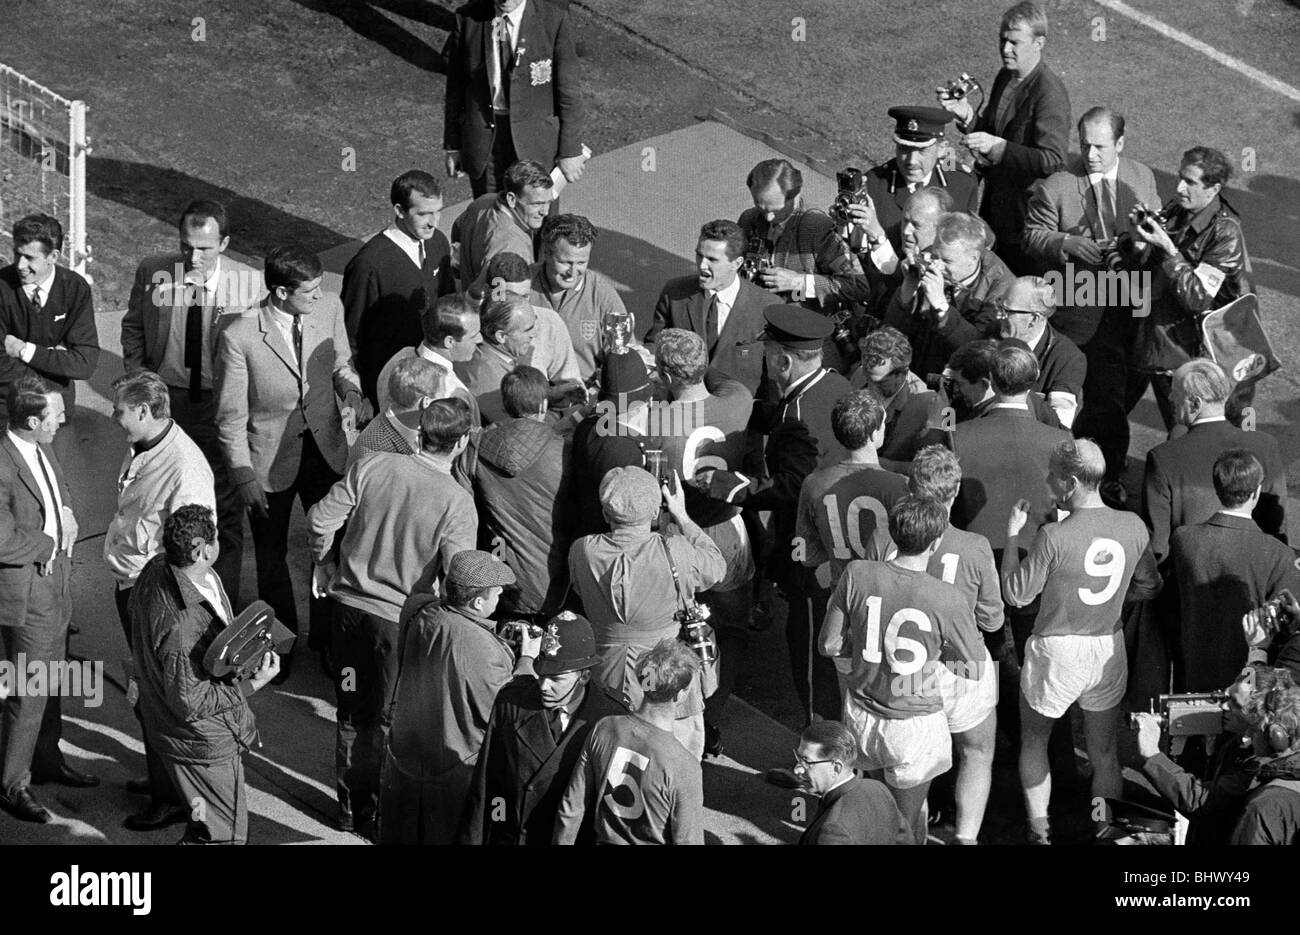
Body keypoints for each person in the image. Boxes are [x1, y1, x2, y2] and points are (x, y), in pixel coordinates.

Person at [308, 398, 478, 836]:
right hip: (398, 627)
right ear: (460, 443)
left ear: (420, 433)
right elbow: (461, 578)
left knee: (351, 713)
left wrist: (324, 563)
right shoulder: (457, 502)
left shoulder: (373, 465)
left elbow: (320, 519)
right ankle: (379, 814)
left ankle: (350, 808)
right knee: (387, 720)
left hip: (346, 615)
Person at [215, 246, 371, 679]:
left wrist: (351, 391)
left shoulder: (330, 307)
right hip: (267, 465)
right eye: (310, 290)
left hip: (325, 451)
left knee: (331, 546)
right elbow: (230, 417)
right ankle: (278, 648)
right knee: (271, 557)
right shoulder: (239, 336)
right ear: (281, 292)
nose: (320, 296)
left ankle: (326, 640)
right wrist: (243, 474)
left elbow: (341, 361)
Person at [1002, 439, 1161, 844]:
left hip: (1056, 652)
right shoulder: (1134, 526)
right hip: (1107, 647)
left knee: (1035, 741)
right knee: (1104, 752)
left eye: (1053, 473)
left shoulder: (1054, 535)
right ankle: (1104, 830)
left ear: (1071, 482)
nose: (1047, 479)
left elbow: (1017, 594)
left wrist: (1012, 540)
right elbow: (1149, 584)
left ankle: (1041, 833)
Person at [701, 306, 851, 727]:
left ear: (783, 360)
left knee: (810, 660)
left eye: (768, 353)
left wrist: (729, 485)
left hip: (813, 560)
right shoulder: (833, 386)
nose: (764, 360)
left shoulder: (796, 418)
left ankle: (820, 751)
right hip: (849, 547)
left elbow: (792, 485)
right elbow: (787, 412)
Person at [819, 496, 983, 844]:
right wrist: (932, 659)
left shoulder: (857, 572)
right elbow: (973, 668)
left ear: (892, 534)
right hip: (913, 726)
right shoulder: (948, 597)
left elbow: (829, 645)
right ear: (935, 542)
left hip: (861, 716)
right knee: (902, 827)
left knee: (874, 815)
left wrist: (869, 649)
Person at [123, 200, 260, 599]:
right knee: (161, 504)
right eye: (186, 246)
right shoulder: (154, 272)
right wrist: (138, 380)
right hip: (168, 406)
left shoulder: (249, 284)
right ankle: (168, 599)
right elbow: (133, 327)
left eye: (204, 248)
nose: (193, 257)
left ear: (225, 243)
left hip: (220, 408)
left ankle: (223, 608)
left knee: (224, 511)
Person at [1021, 108, 1157, 495]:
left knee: (1129, 383)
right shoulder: (1059, 184)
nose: (1090, 154)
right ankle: (1106, 475)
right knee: (1103, 391)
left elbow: (1154, 224)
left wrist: (1140, 243)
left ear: (1120, 144)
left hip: (1133, 301)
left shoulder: (1142, 176)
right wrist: (1067, 243)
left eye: (1099, 146)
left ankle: (1093, 449)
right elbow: (1031, 235)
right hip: (1084, 306)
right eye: (1084, 144)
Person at [104, 370, 215, 830]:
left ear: (145, 411)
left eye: (120, 411)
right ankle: (161, 776)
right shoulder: (148, 445)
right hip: (133, 586)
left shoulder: (184, 465)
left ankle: (172, 795)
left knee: (158, 698)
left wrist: (166, 607)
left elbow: (198, 548)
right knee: (145, 694)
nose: (114, 419)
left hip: (154, 597)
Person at [129, 505, 279, 844]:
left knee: (203, 824)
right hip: (202, 743)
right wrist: (254, 682)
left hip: (175, 731)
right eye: (214, 537)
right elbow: (190, 701)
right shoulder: (184, 626)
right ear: (201, 550)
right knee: (224, 836)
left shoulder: (157, 570)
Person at [378, 550, 540, 845]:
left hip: (405, 758)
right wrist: (526, 660)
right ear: (478, 602)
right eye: (496, 591)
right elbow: (505, 709)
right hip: (452, 771)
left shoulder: (416, 608)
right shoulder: (485, 651)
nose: (502, 593)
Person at [569, 467, 723, 761]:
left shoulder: (583, 550)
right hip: (668, 670)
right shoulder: (675, 549)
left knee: (608, 758)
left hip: (607, 673)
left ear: (606, 513)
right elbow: (717, 567)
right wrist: (683, 516)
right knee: (673, 759)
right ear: (655, 512)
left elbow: (579, 589)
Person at [649, 330, 754, 753]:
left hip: (681, 532)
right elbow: (722, 379)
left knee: (681, 632)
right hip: (729, 529)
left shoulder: (658, 419)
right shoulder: (737, 400)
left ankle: (686, 718)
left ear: (665, 373)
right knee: (730, 629)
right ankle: (715, 714)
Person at [0, 377, 92, 824]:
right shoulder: (1, 463)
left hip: (57, 582)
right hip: (30, 589)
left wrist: (68, 512)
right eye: (55, 415)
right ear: (33, 421)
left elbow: (60, 491)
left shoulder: (42, 446)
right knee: (30, 688)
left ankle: (48, 760)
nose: (64, 420)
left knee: (55, 677)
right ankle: (12, 784)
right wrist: (48, 542)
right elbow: (1, 539)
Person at [460, 611, 630, 844]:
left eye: (556, 678)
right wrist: (495, 831)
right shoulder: (513, 702)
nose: (543, 685)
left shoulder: (611, 719)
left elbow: (616, 811)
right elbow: (490, 785)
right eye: (541, 674)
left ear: (584, 676)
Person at [909, 445, 1004, 844]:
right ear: (955, 490)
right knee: (977, 751)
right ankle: (966, 839)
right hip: (962, 665)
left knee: (917, 765)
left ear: (912, 488)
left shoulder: (889, 536)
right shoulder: (975, 545)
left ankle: (911, 835)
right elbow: (993, 618)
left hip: (911, 666)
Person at [938, 0, 1071, 274]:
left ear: (1039, 43)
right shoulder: (1006, 76)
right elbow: (990, 132)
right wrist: (966, 116)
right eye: (1002, 40)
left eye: (1014, 42)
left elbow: (1054, 159)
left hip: (1025, 217)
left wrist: (1001, 149)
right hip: (996, 203)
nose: (1005, 49)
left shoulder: (1049, 93)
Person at [1127, 146, 1253, 427]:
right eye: (1180, 177)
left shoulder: (1225, 233)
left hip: (1190, 354)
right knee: (1108, 407)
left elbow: (1197, 297)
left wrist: (1169, 249)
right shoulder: (1178, 210)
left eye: (1191, 182)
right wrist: (1139, 238)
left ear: (1214, 188)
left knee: (1186, 434)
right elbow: (1146, 265)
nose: (1180, 187)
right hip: (1154, 335)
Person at [1169, 449, 1300, 693]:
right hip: (1249, 681)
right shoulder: (1278, 554)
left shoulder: (1183, 539)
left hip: (1195, 673)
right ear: (1257, 492)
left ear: (1216, 488)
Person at [554, 638, 705, 845]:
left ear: (643, 682)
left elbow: (571, 807)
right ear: (680, 694)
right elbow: (688, 841)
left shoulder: (605, 728)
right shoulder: (684, 766)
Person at [1142, 359, 1287, 568]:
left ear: (1195, 404)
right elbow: (1277, 526)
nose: (1170, 397)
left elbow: (1158, 546)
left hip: (1189, 578)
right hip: (1252, 572)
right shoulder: (1266, 446)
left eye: (1175, 392)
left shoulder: (1163, 457)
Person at [1133, 665, 1300, 845]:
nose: (1224, 706)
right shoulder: (1237, 744)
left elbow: (1200, 799)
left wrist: (1152, 754)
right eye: (1225, 696)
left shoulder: (1259, 773)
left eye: (1236, 704)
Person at [461, 366, 574, 620]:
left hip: (499, 582)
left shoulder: (476, 448)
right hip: (555, 580)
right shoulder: (564, 451)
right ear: (544, 405)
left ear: (505, 404)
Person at [442, 0, 585, 198]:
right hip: (487, 144)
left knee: (538, 219)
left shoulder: (554, 18)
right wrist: (453, 145)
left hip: (535, 143)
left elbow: (568, 90)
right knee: (491, 216)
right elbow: (455, 88)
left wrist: (570, 150)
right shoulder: (467, 18)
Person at [342, 170, 456, 407]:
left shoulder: (438, 243)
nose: (434, 222)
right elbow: (350, 334)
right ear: (400, 211)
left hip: (433, 377)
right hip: (388, 385)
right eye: (423, 214)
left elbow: (447, 302)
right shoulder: (369, 265)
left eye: (438, 211)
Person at [795, 389, 909, 588]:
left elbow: (806, 554)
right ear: (874, 434)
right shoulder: (902, 485)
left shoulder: (814, 484)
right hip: (890, 592)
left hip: (842, 592)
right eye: (883, 424)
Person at [882, 211, 1013, 380]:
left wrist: (942, 307)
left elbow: (981, 351)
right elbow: (891, 330)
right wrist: (907, 291)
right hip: (917, 371)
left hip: (963, 382)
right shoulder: (931, 258)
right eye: (935, 256)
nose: (938, 266)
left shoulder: (1001, 290)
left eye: (947, 261)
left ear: (973, 258)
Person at [648, 219, 772, 394]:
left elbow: (772, 374)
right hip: (682, 406)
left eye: (712, 259)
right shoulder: (674, 292)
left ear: (736, 263)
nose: (702, 265)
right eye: (699, 255)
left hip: (737, 414)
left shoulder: (766, 306)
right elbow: (655, 342)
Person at [0, 213, 98, 428]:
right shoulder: (2, 287)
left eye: (30, 258)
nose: (20, 265)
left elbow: (84, 363)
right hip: (9, 412)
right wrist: (53, 372)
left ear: (53, 256)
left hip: (56, 413)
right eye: (17, 254)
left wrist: (24, 350)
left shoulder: (74, 288)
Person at [737, 158, 868, 315]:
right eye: (761, 207)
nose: (768, 218)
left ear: (796, 196)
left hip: (804, 324)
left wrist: (798, 282)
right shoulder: (749, 219)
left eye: (776, 210)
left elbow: (858, 286)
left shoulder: (816, 228)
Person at [530, 213, 649, 381]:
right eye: (565, 262)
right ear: (547, 253)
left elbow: (623, 354)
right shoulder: (522, 284)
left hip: (582, 394)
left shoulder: (604, 296)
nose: (572, 273)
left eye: (581, 263)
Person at [854, 106, 979, 258]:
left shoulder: (962, 184)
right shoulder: (874, 185)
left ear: (941, 149)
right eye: (904, 149)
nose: (912, 161)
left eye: (922, 151)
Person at [794, 720, 914, 845]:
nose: (797, 769)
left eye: (806, 762)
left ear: (836, 768)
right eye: (798, 758)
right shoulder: (878, 788)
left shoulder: (832, 832)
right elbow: (905, 839)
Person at [994, 276, 1085, 430]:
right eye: (999, 305)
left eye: (1007, 311)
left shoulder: (1068, 358)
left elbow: (1058, 427)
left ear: (1034, 319)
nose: (998, 316)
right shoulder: (994, 332)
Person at [375, 292, 483, 422]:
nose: (480, 339)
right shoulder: (452, 392)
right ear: (449, 341)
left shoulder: (398, 359)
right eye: (474, 335)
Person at [452, 159, 554, 285]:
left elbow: (457, 230)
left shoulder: (482, 202)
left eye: (549, 202)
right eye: (537, 204)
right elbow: (501, 300)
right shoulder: (511, 247)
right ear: (511, 199)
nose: (545, 212)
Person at [848, 326, 935, 463]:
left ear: (902, 373)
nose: (870, 388)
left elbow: (932, 466)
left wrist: (887, 466)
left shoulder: (928, 404)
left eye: (880, 383)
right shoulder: (861, 374)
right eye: (867, 376)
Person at [347, 356, 446, 466]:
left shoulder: (417, 424)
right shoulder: (375, 454)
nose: (446, 402)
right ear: (426, 402)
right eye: (443, 396)